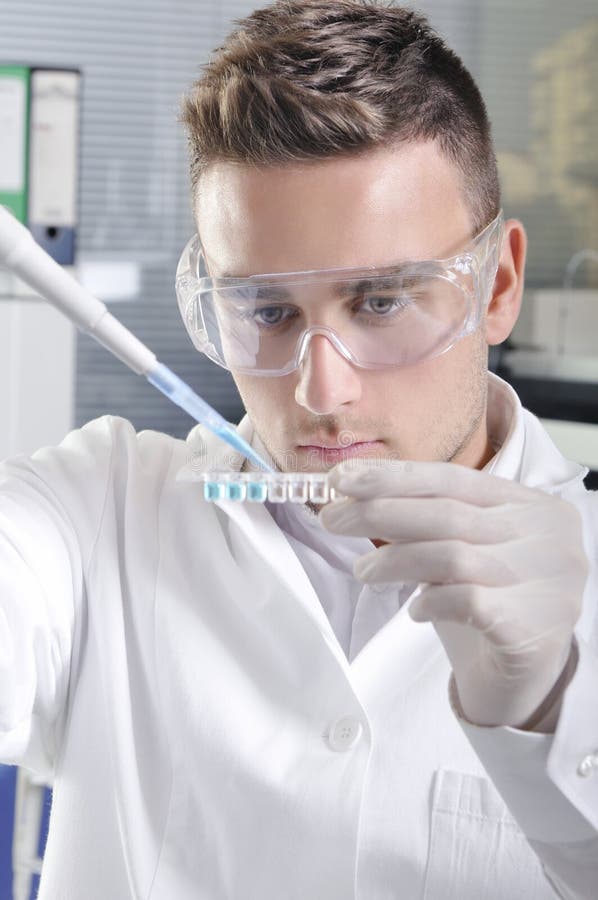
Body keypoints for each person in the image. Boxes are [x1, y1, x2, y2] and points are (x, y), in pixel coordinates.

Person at [1, 1, 597, 897]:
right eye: (267, 311)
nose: (323, 392)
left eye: (383, 302)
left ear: (499, 286)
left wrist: (554, 711)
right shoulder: (101, 511)